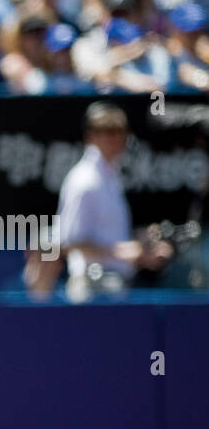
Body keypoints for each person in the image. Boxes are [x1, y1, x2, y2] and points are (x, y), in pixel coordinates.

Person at [45, 102, 175, 300]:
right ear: (90, 136)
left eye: (121, 131)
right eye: (108, 131)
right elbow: (67, 242)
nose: (117, 138)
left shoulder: (110, 177)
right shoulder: (84, 180)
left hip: (114, 284)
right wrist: (127, 252)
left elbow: (108, 235)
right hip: (93, 287)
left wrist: (142, 242)